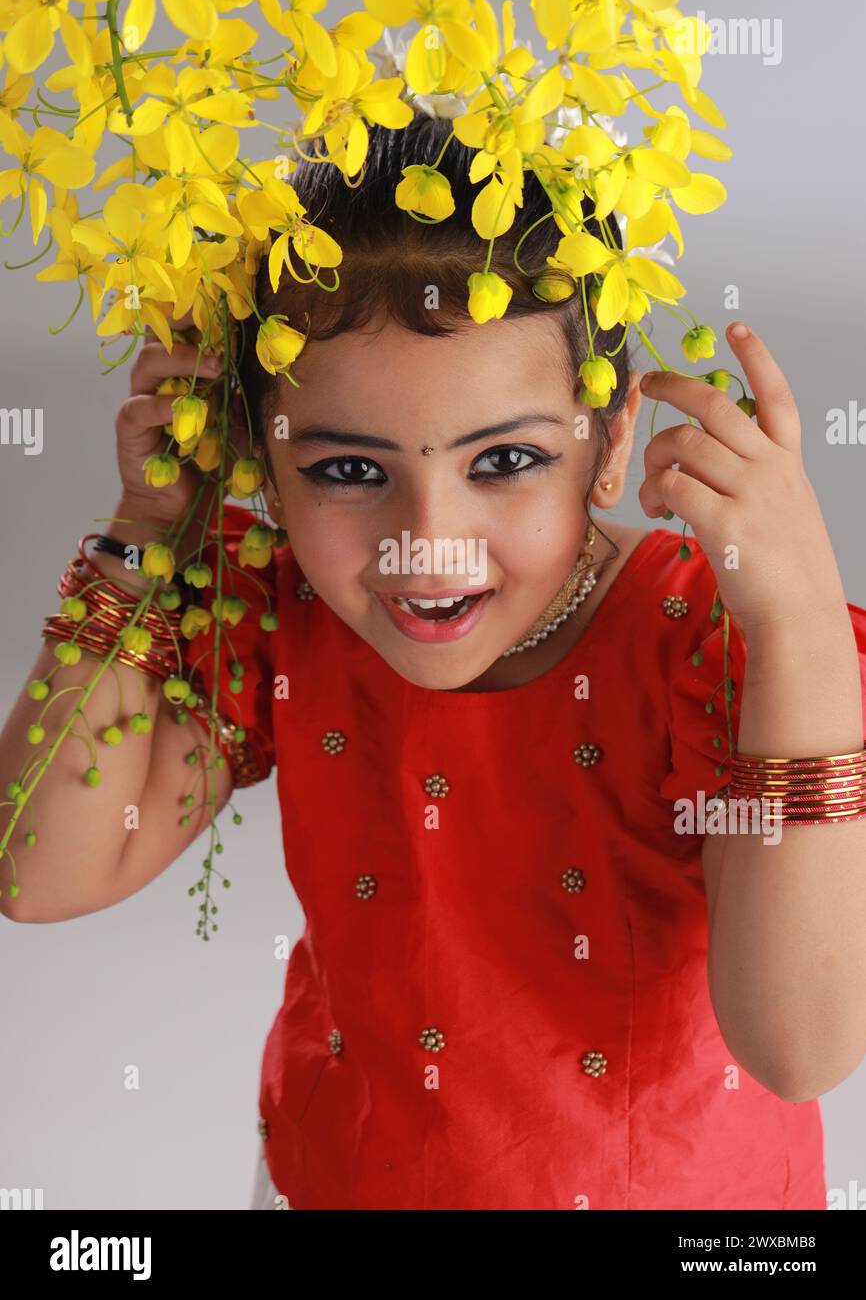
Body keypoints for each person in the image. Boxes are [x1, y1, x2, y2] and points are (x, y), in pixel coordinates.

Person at [4, 115, 866, 1211]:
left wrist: (793, 629)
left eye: (503, 460)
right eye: (350, 469)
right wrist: (144, 536)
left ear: (606, 444)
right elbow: (41, 875)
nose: (428, 541)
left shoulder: (704, 653)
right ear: (257, 462)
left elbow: (797, 1046)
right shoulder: (282, 604)